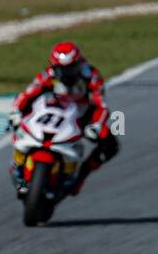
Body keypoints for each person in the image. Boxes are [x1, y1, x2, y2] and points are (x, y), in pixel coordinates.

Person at [8, 41, 119, 194]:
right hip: (49, 110)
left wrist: (97, 125)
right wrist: (15, 112)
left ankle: (80, 176)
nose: (66, 74)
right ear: (54, 66)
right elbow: (27, 94)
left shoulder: (91, 76)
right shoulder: (48, 74)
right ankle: (17, 164)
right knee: (17, 122)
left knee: (110, 144)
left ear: (79, 63)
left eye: (70, 68)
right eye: (61, 69)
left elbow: (102, 105)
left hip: (81, 112)